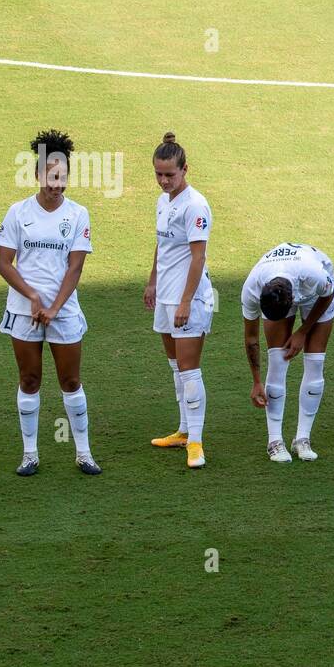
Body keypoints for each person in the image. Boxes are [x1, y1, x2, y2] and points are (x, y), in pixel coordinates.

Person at [0, 129, 100, 476]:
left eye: (63, 178)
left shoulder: (78, 214)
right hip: (24, 310)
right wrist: (34, 297)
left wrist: (54, 307)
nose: (57, 185)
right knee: (29, 380)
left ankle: (83, 453)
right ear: (38, 174)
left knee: (71, 382)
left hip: (64, 311)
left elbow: (75, 266)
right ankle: (30, 454)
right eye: (51, 178)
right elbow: (3, 264)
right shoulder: (17, 212)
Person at [144, 132, 214, 468]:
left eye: (170, 174)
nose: (163, 180)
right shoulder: (164, 201)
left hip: (191, 297)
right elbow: (163, 243)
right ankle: (184, 430)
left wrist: (186, 302)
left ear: (185, 169)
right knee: (175, 367)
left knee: (189, 370)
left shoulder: (196, 205)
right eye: (158, 174)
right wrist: (152, 281)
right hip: (166, 296)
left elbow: (197, 258)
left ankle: (197, 442)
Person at [241, 242, 334, 462]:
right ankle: (274, 441)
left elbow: (327, 294)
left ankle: (302, 439)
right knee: (278, 359)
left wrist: (303, 331)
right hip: (285, 283)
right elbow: (251, 338)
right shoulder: (252, 288)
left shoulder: (314, 275)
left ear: (292, 299)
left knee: (315, 362)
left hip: (316, 293)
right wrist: (256, 382)